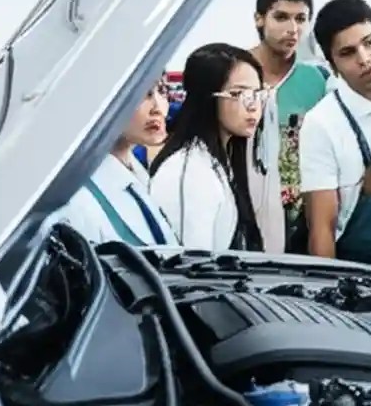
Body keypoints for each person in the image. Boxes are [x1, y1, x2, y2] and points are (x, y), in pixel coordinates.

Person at [296, 0, 371, 265]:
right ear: (332, 66)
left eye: (369, 43)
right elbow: (322, 230)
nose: (364, 59)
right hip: (362, 271)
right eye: (347, 53)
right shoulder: (323, 123)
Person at [151, 43, 266, 251]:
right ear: (207, 98)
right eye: (238, 94)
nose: (253, 106)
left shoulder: (220, 158)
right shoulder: (190, 172)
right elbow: (192, 261)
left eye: (257, 94)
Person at [248, 0, 329, 252]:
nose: (292, 29)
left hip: (299, 221)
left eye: (301, 19)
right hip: (242, 208)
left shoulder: (317, 81)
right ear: (259, 19)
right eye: (281, 17)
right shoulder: (234, 72)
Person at [60, 78, 178, 246]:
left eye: (161, 91)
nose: (158, 109)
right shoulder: (77, 201)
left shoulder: (139, 175)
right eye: (144, 94)